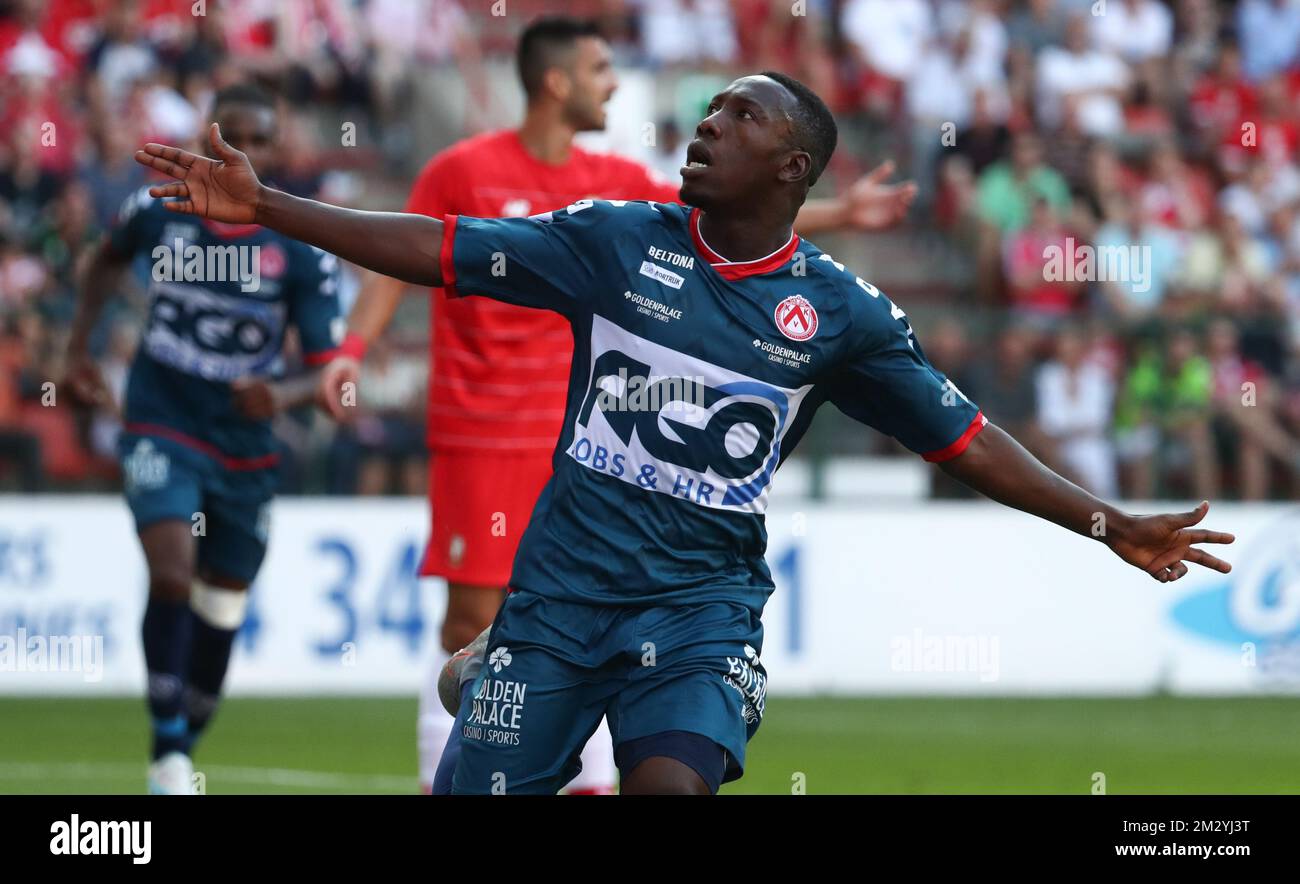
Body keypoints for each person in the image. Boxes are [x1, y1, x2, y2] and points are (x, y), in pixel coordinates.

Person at [134, 71, 1235, 795]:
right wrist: (269, 204)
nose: (708, 125)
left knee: (667, 786)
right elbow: (443, 247)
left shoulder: (838, 317)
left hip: (696, 606)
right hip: (561, 594)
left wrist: (1105, 521)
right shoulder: (614, 244)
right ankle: (496, 666)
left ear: (792, 168)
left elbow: (966, 439)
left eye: (740, 117)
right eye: (707, 110)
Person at [318, 16, 918, 794]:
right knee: (474, 619)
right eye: (601, 68)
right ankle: (477, 718)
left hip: (593, 429)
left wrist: (835, 214)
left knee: (606, 634)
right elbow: (414, 254)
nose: (612, 83)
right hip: (484, 429)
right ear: (557, 80)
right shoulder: (463, 167)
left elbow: (731, 227)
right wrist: (350, 350)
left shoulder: (621, 187)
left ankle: (576, 757)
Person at [66, 83, 343, 794]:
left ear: (279, 151)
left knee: (223, 604)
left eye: (261, 138)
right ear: (207, 137)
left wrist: (279, 393)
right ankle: (167, 755)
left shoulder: (303, 247)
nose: (243, 151)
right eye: (232, 134)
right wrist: (77, 352)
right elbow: (102, 259)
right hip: (162, 418)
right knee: (169, 571)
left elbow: (328, 374)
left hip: (246, 447)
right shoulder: (162, 209)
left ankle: (181, 738)